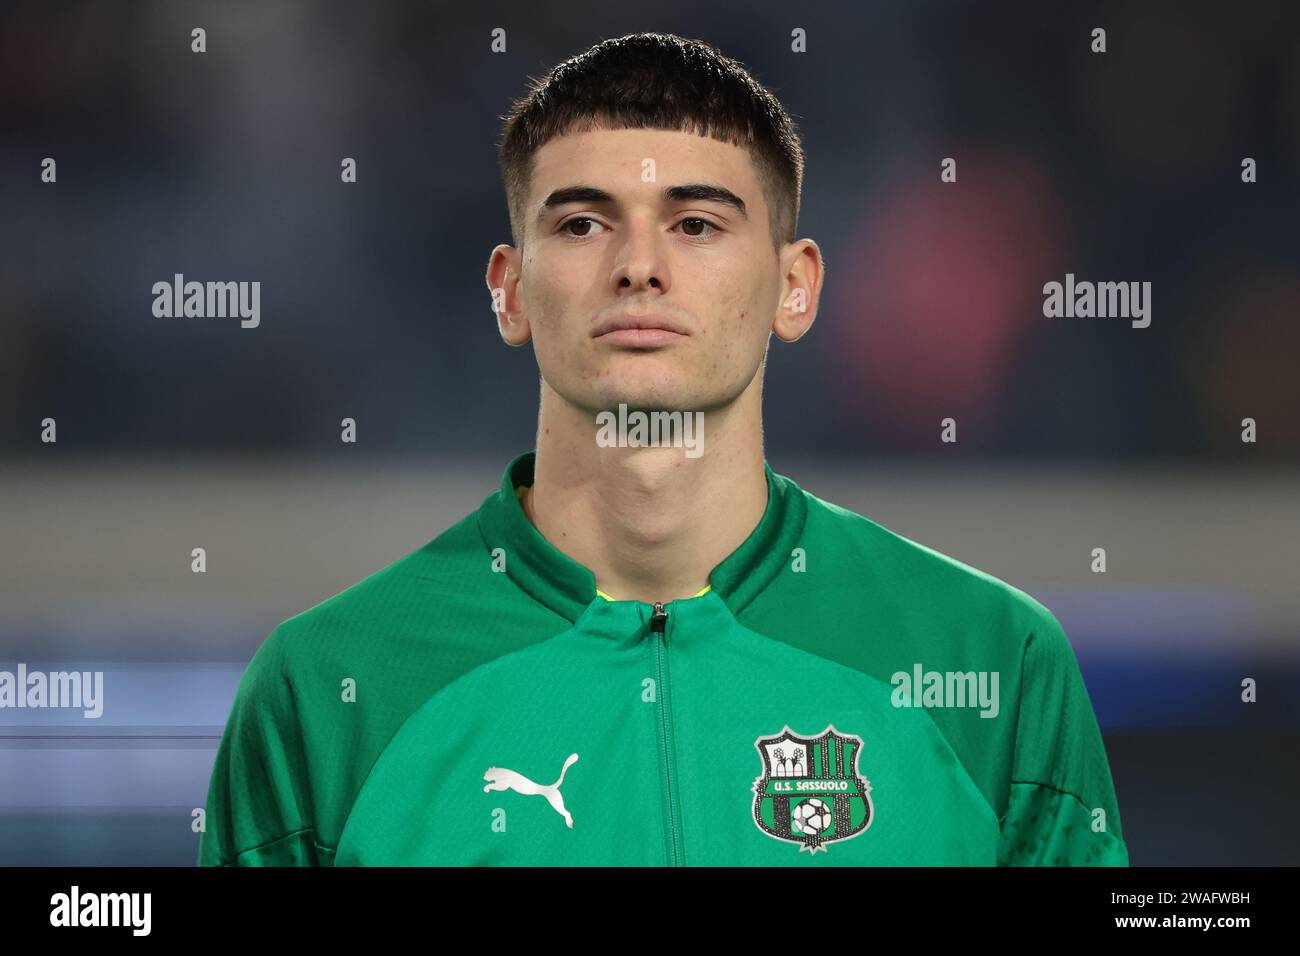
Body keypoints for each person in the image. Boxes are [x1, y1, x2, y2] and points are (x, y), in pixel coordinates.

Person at [199, 32, 1127, 866]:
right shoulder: (325, 691)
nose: (639, 265)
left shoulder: (996, 663)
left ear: (794, 288)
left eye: (697, 223)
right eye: (581, 222)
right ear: (510, 291)